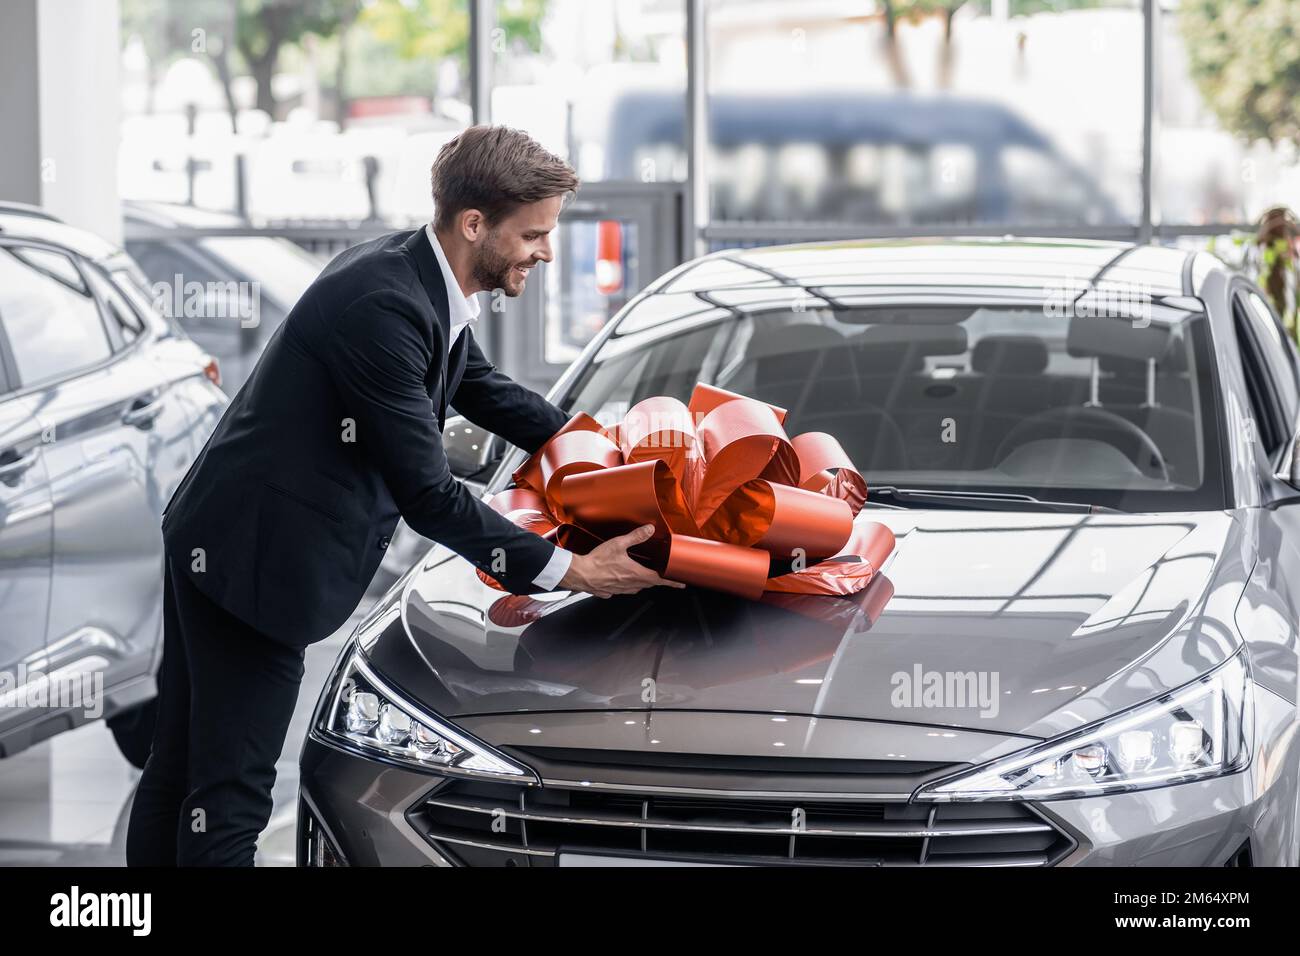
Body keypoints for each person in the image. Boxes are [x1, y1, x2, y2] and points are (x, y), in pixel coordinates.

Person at [125, 125, 682, 867]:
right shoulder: (383, 308)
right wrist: (574, 571)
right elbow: (428, 494)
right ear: (474, 223)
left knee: (183, 762)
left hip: (221, 530)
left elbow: (478, 387)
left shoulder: (418, 276)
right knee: (229, 794)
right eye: (535, 234)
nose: (545, 251)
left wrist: (606, 453)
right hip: (251, 563)